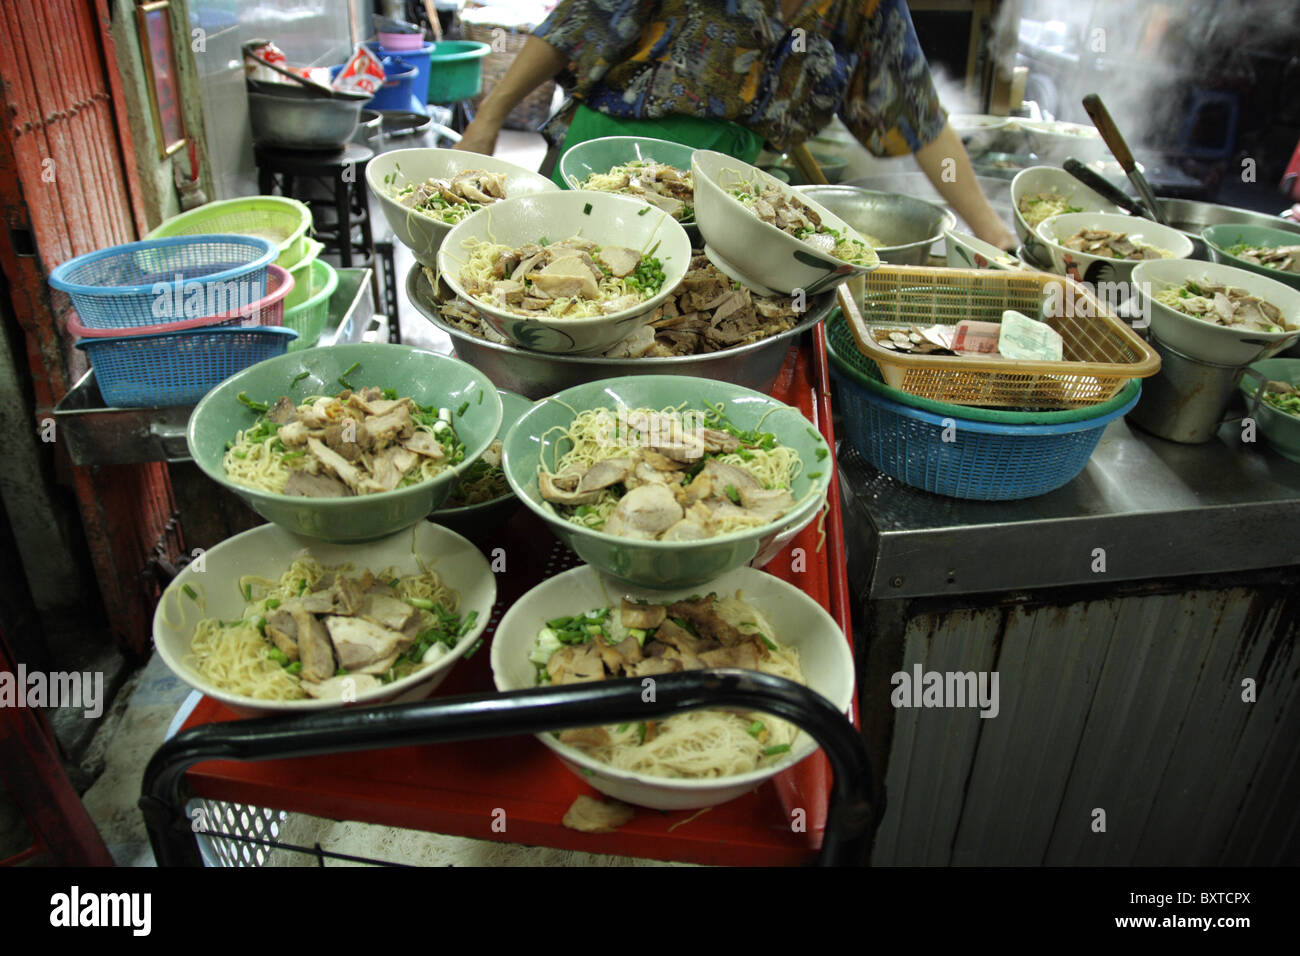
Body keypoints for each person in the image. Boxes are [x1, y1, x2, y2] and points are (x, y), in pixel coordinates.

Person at [455, 0, 1018, 249]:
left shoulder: (865, 7)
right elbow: (579, 21)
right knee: (566, 297)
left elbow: (916, 117)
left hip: (719, 185)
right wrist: (489, 118)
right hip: (604, 155)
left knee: (672, 325)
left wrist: (991, 230)